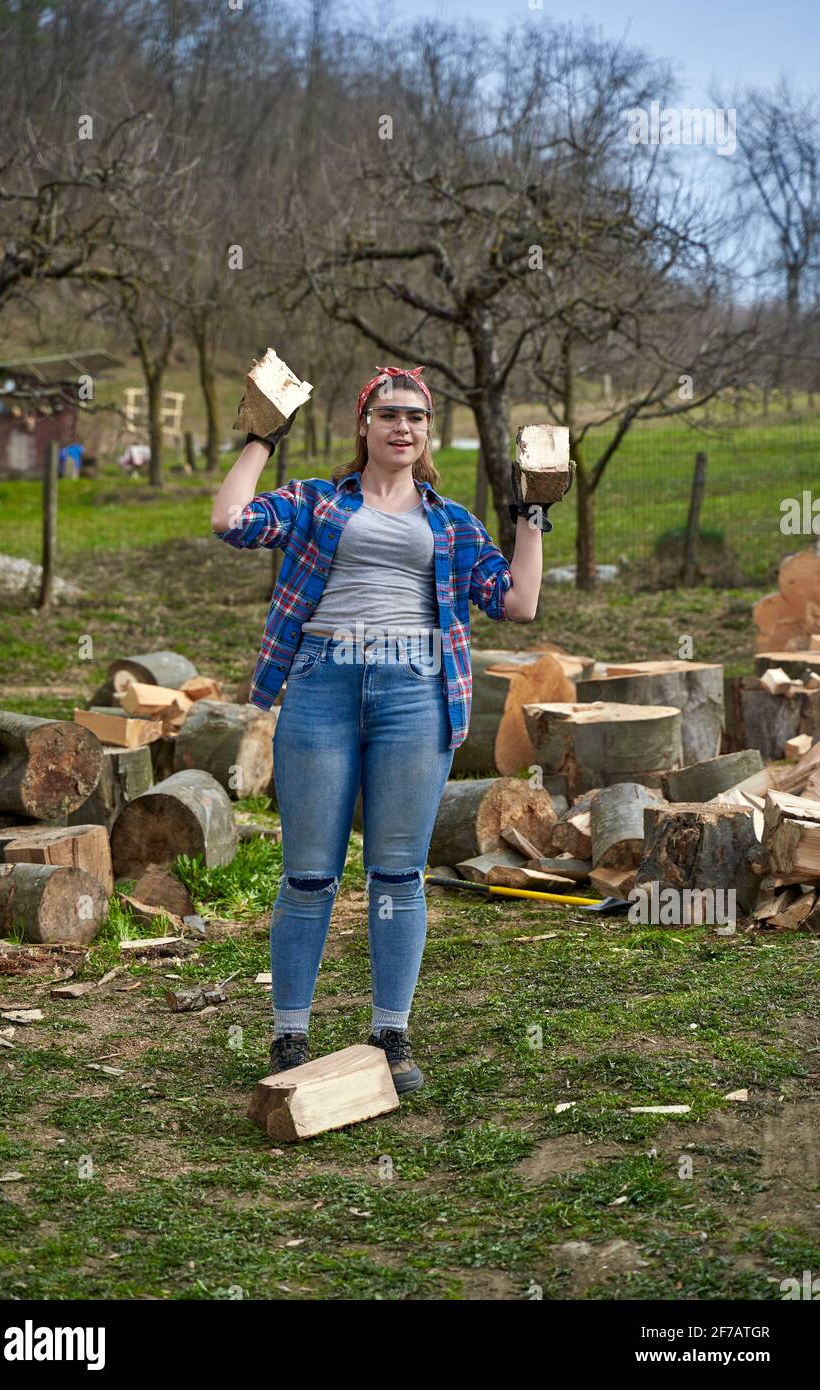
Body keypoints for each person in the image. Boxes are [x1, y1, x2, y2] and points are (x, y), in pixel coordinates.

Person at [210, 364, 571, 1095]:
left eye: (416, 417)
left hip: (413, 693)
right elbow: (231, 522)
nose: (402, 426)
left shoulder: (452, 522)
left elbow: (520, 603)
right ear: (364, 427)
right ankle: (289, 1038)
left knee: (397, 874)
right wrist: (260, 437)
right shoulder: (317, 501)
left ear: (427, 433)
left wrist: (533, 510)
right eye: (388, 415)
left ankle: (391, 1035)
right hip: (322, 688)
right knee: (308, 874)